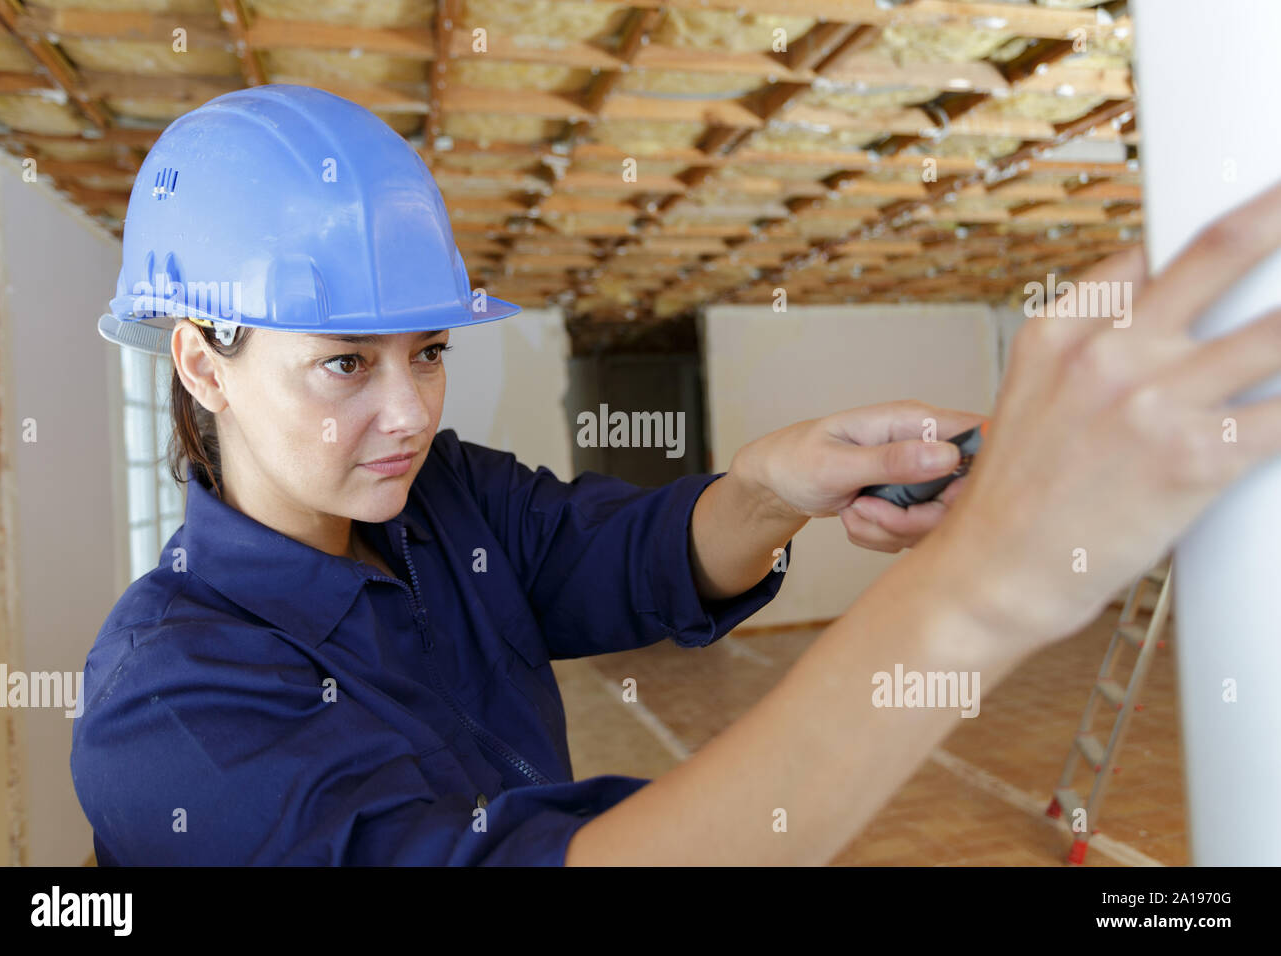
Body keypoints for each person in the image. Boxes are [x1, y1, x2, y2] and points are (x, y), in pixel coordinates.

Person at [72, 84, 1281, 865]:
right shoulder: (168, 704)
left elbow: (618, 553)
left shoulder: (445, 502)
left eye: (428, 352)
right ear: (204, 362)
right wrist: (985, 584)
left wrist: (773, 484)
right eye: (344, 365)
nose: (410, 412)